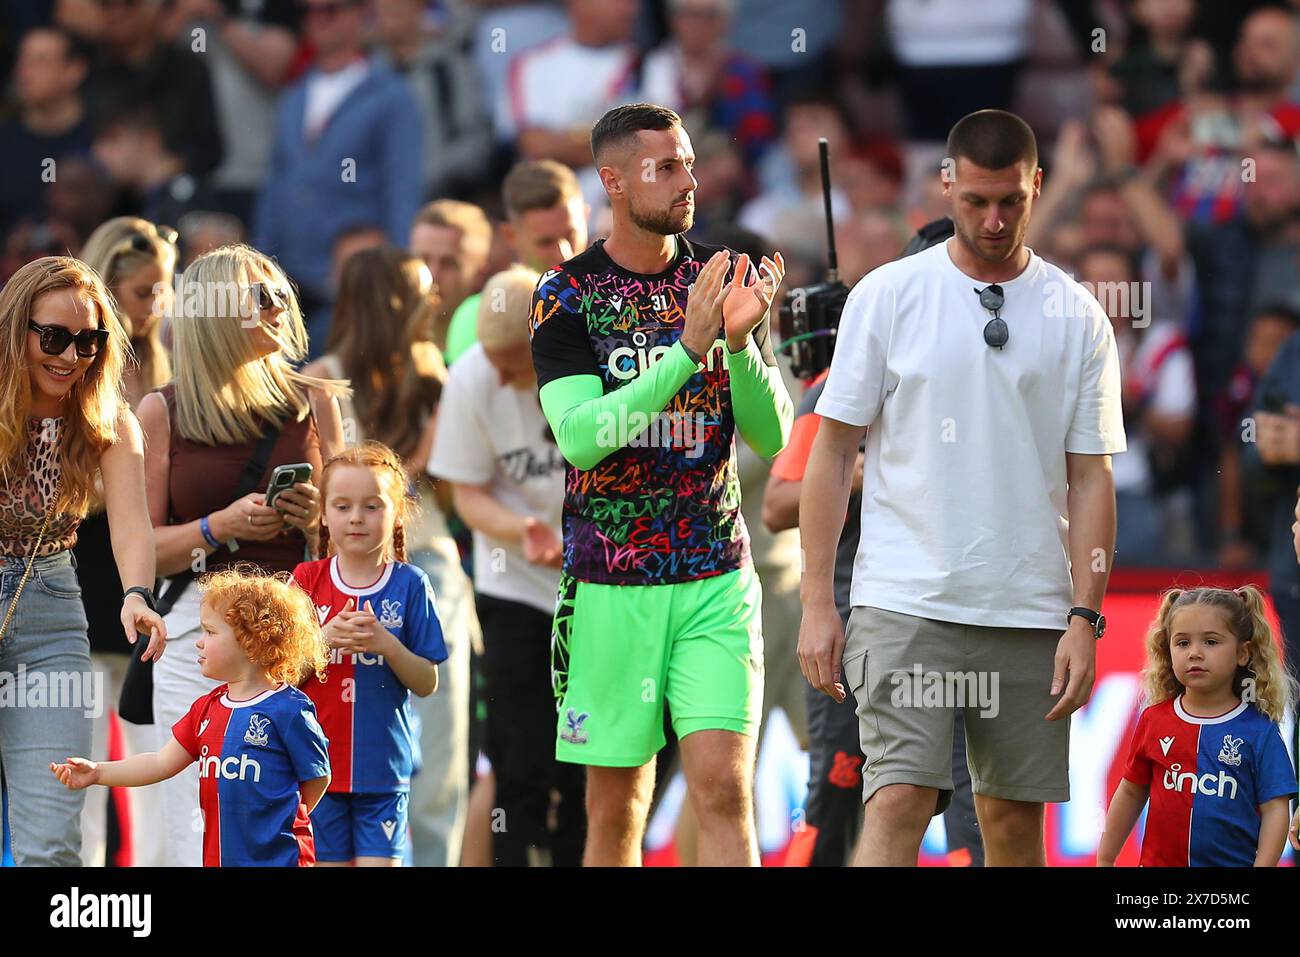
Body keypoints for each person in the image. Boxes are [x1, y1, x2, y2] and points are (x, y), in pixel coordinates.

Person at [798, 110, 1126, 867]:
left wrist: (1086, 614)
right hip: (902, 600)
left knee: (1010, 825)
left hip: (1031, 605)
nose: (994, 217)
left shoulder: (1078, 314)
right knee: (898, 802)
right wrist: (820, 598)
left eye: (1011, 199)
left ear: (1038, 185)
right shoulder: (887, 294)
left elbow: (1091, 476)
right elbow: (830, 449)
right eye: (976, 200)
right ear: (945, 186)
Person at [530, 103, 792, 866]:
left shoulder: (721, 278)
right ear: (613, 180)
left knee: (723, 790)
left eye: (689, 163)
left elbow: (772, 436)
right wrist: (687, 349)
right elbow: (580, 439)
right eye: (666, 167)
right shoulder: (566, 293)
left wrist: (739, 345)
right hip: (611, 582)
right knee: (616, 812)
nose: (689, 179)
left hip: (716, 573)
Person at [136, 243, 345, 866]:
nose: (281, 306)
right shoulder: (162, 410)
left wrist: (318, 524)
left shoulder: (317, 402)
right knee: (195, 819)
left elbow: (363, 531)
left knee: (299, 816)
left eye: (283, 291)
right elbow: (141, 550)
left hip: (293, 637)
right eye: (262, 296)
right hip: (197, 640)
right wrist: (216, 526)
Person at [303, 247, 475, 868]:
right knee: (341, 743)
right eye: (422, 292)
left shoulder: (434, 376)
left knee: (433, 746)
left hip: (423, 563)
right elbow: (336, 486)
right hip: (342, 575)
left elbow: (458, 484)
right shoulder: (323, 380)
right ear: (392, 302)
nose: (434, 303)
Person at [0, 255, 167, 866]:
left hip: (51, 614)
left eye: (89, 341)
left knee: (51, 837)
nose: (70, 356)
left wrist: (137, 595)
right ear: (17, 329)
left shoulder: (108, 420)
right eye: (53, 337)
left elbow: (131, 524)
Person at [430, 266, 582, 866]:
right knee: (518, 761)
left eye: (510, 358)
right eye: (489, 357)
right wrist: (523, 532)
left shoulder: (592, 364)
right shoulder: (472, 378)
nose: (497, 372)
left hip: (602, 584)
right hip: (514, 585)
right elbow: (464, 492)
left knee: (589, 761)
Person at [52, 566, 332, 867]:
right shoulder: (205, 709)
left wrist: (279, 816)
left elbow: (317, 776)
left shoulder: (290, 710)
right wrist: (98, 773)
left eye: (210, 632)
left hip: (281, 860)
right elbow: (160, 763)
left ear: (253, 641)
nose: (199, 642)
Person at [73, 216, 178, 866]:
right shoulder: (78, 371)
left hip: (147, 590)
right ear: (107, 289)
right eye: (144, 291)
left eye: (164, 290)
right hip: (82, 586)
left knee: (152, 764)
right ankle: (79, 886)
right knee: (78, 768)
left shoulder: (163, 371)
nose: (157, 305)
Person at [294, 443, 448, 866]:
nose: (356, 517)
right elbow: (280, 673)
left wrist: (388, 646)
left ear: (398, 511)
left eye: (372, 506)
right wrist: (322, 640)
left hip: (384, 772)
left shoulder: (411, 584)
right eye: (342, 506)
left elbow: (427, 681)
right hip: (316, 771)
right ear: (323, 513)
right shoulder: (305, 580)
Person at [252, 0, 423, 334]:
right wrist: (259, 263)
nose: (317, 20)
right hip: (288, 279)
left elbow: (402, 188)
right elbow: (275, 183)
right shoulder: (294, 95)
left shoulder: (392, 96)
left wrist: (395, 274)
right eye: (308, 12)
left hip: (352, 282)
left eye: (328, 10)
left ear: (360, 14)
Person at [1097, 586, 1296, 866]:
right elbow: (1131, 791)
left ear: (1243, 653)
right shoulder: (1154, 719)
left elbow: (1276, 809)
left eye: (1211, 642)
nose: (1195, 653)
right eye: (1182, 643)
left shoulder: (1260, 730)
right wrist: (1105, 859)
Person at [440, 161, 591, 367]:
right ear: (510, 235)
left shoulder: (623, 298)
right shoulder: (476, 318)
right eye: (545, 242)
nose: (564, 254)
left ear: (585, 216)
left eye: (571, 235)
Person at [409, 199, 494, 361]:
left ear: (481, 271)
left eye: (449, 263)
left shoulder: (495, 352)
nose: (432, 274)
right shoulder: (385, 345)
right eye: (423, 260)